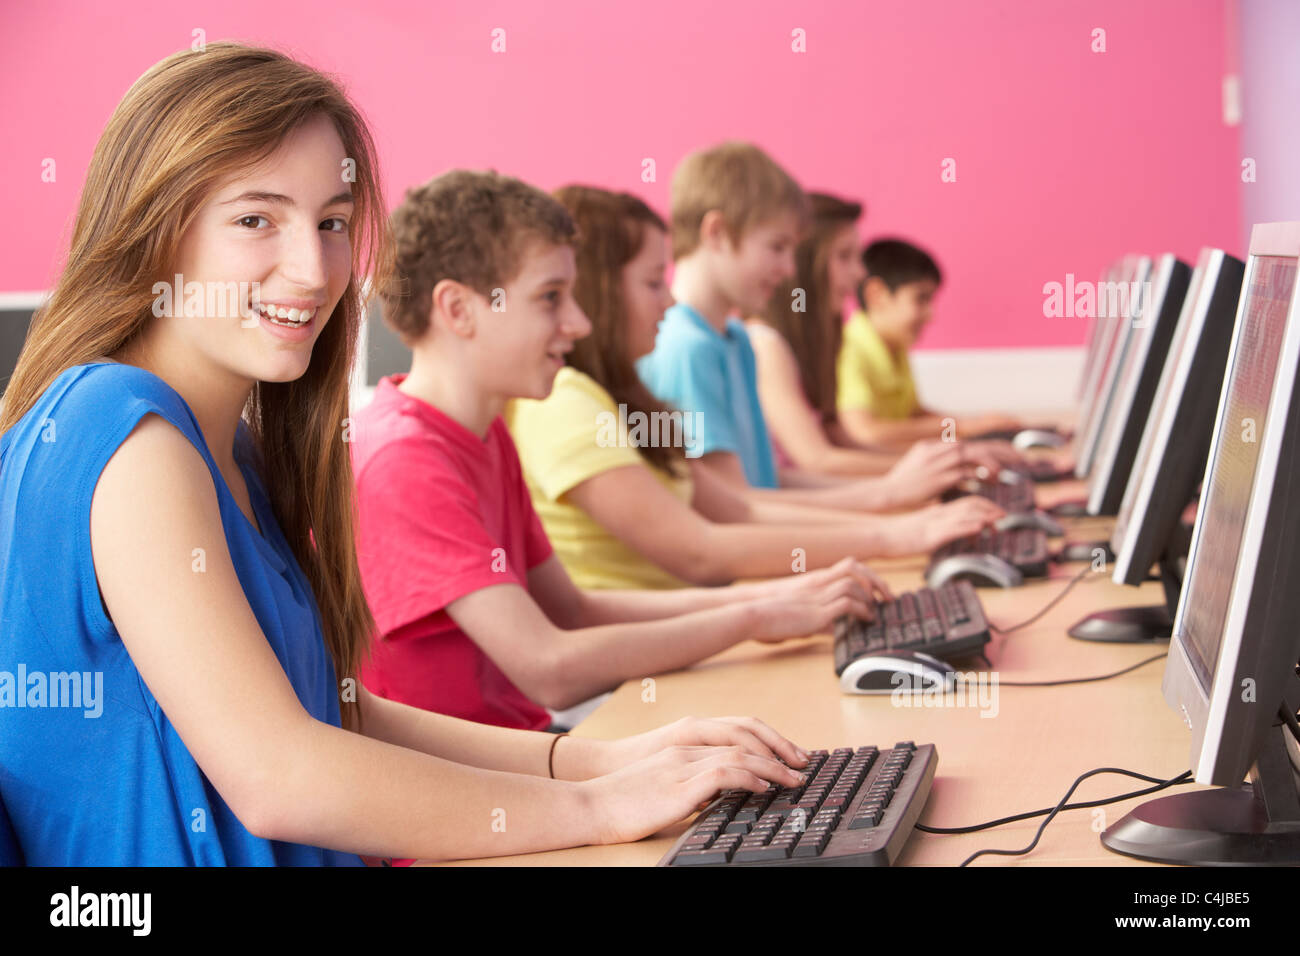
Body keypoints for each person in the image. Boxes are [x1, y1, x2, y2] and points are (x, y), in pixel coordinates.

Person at [0, 42, 823, 866]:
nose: (313, 268)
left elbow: (331, 711)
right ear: (153, 228)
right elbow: (279, 773)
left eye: (330, 223)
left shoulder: (236, 450)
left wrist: (608, 762)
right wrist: (600, 804)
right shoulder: (127, 433)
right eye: (257, 219)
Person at [350, 169, 891, 738]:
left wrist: (779, 599)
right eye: (551, 298)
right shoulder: (402, 458)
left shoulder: (488, 432)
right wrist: (753, 618)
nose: (578, 323)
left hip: (532, 745)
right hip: (473, 783)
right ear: (457, 310)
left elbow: (572, 612)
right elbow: (549, 670)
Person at [506, 185, 1004, 591]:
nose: (669, 300)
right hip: (636, 681)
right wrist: (893, 525)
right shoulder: (566, 400)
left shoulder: (623, 394)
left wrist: (897, 522)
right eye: (655, 282)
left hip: (693, 635)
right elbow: (702, 550)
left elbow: (738, 508)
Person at [636, 141, 1011, 512]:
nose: (789, 269)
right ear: (716, 232)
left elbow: (768, 482)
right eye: (778, 247)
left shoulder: (735, 340)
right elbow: (735, 508)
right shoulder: (686, 346)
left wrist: (907, 486)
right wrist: (890, 502)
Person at [837, 238, 1026, 448]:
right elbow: (866, 432)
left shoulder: (894, 347)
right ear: (877, 295)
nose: (931, 315)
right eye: (921, 299)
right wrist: (960, 427)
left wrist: (976, 425)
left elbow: (912, 415)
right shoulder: (850, 349)